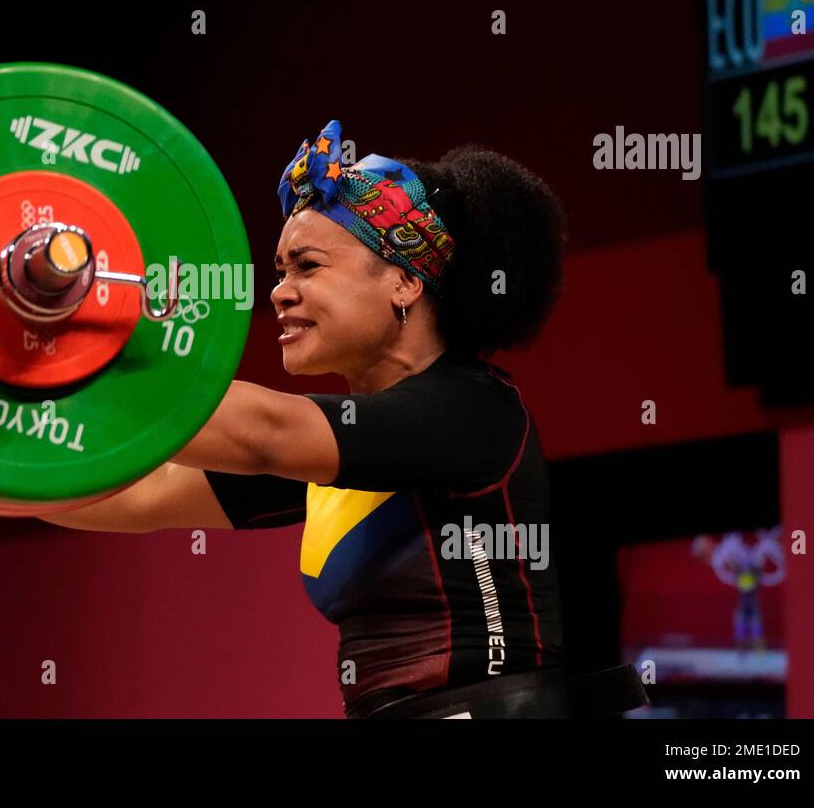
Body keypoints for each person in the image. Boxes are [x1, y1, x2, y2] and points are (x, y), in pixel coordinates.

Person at [39, 119, 569, 718]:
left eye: (308, 267)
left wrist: (85, 326)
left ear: (404, 281)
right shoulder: (330, 454)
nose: (280, 293)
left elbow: (264, 432)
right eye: (280, 270)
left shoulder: (470, 414)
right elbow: (136, 491)